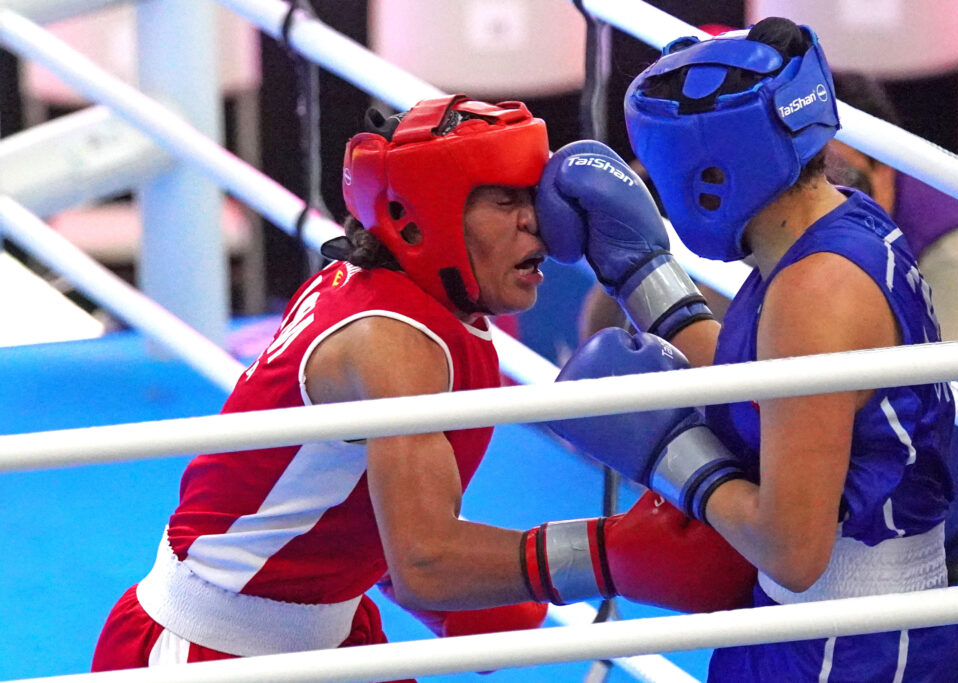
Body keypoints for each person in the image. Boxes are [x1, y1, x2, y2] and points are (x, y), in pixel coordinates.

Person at [91, 95, 755, 672]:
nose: (540, 223)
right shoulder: (393, 344)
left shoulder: (421, 303)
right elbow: (425, 561)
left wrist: (459, 597)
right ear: (425, 216)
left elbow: (332, 488)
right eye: (506, 199)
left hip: (328, 630)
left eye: (535, 194)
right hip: (211, 652)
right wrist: (607, 554)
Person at [536, 18, 958, 682]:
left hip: (850, 648)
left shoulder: (815, 292)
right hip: (815, 628)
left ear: (712, 175)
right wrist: (642, 278)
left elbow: (792, 547)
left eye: (663, 177)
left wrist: (673, 458)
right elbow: (770, 390)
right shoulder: (831, 225)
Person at [824, 71, 958, 588]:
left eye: (833, 169)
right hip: (879, 526)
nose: (818, 188)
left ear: (882, 163)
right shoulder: (801, 225)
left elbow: (919, 429)